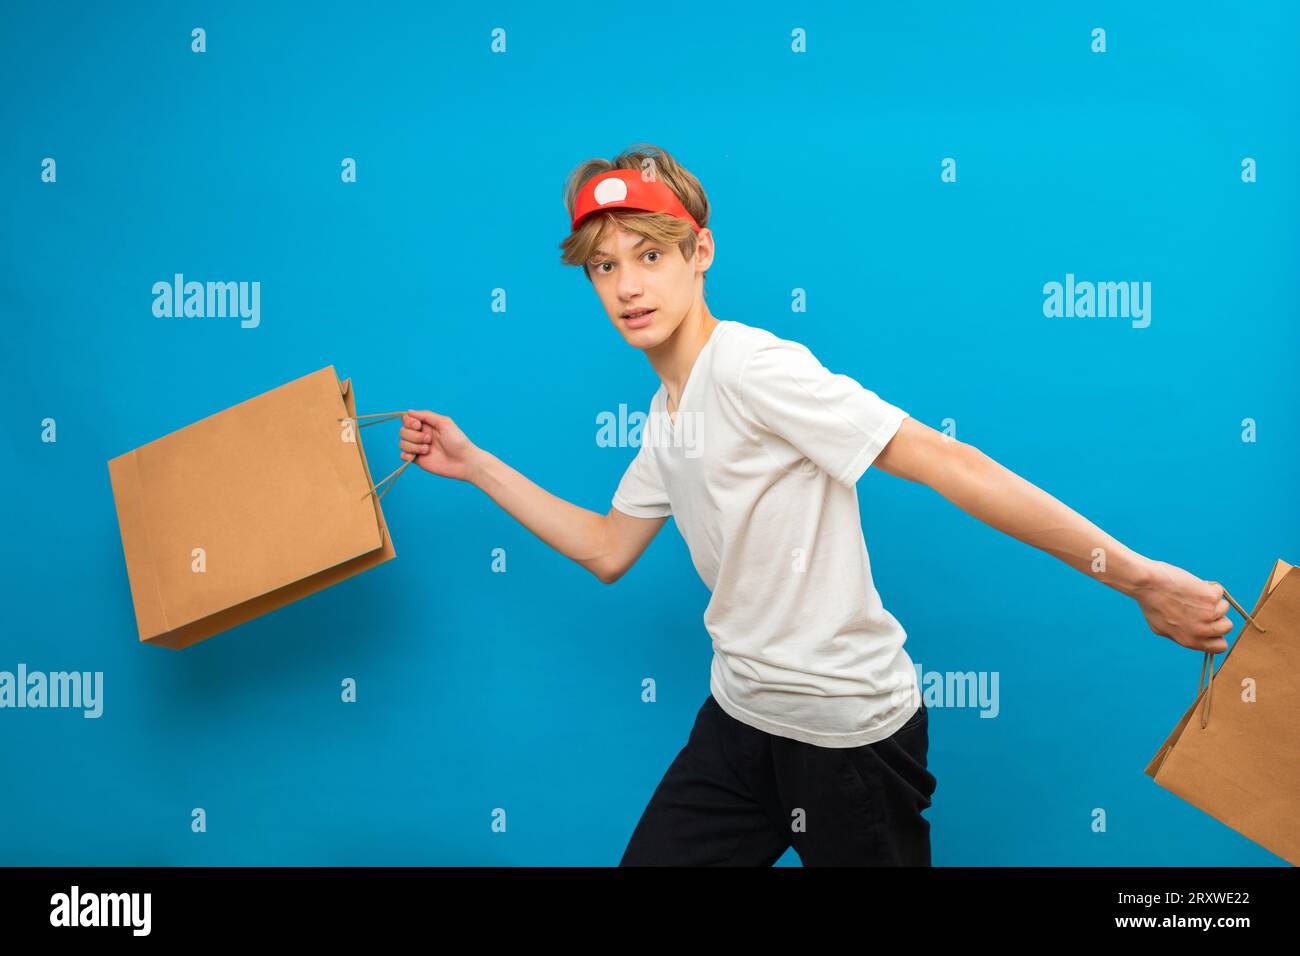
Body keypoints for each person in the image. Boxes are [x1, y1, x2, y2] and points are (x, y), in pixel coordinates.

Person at [396, 144, 1236, 866]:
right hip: (740, 723)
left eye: (651, 254)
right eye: (605, 266)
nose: (627, 286)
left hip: (849, 739)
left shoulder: (752, 368)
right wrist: (475, 466)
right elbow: (609, 548)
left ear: (701, 253)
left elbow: (946, 460)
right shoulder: (666, 415)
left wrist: (1137, 580)